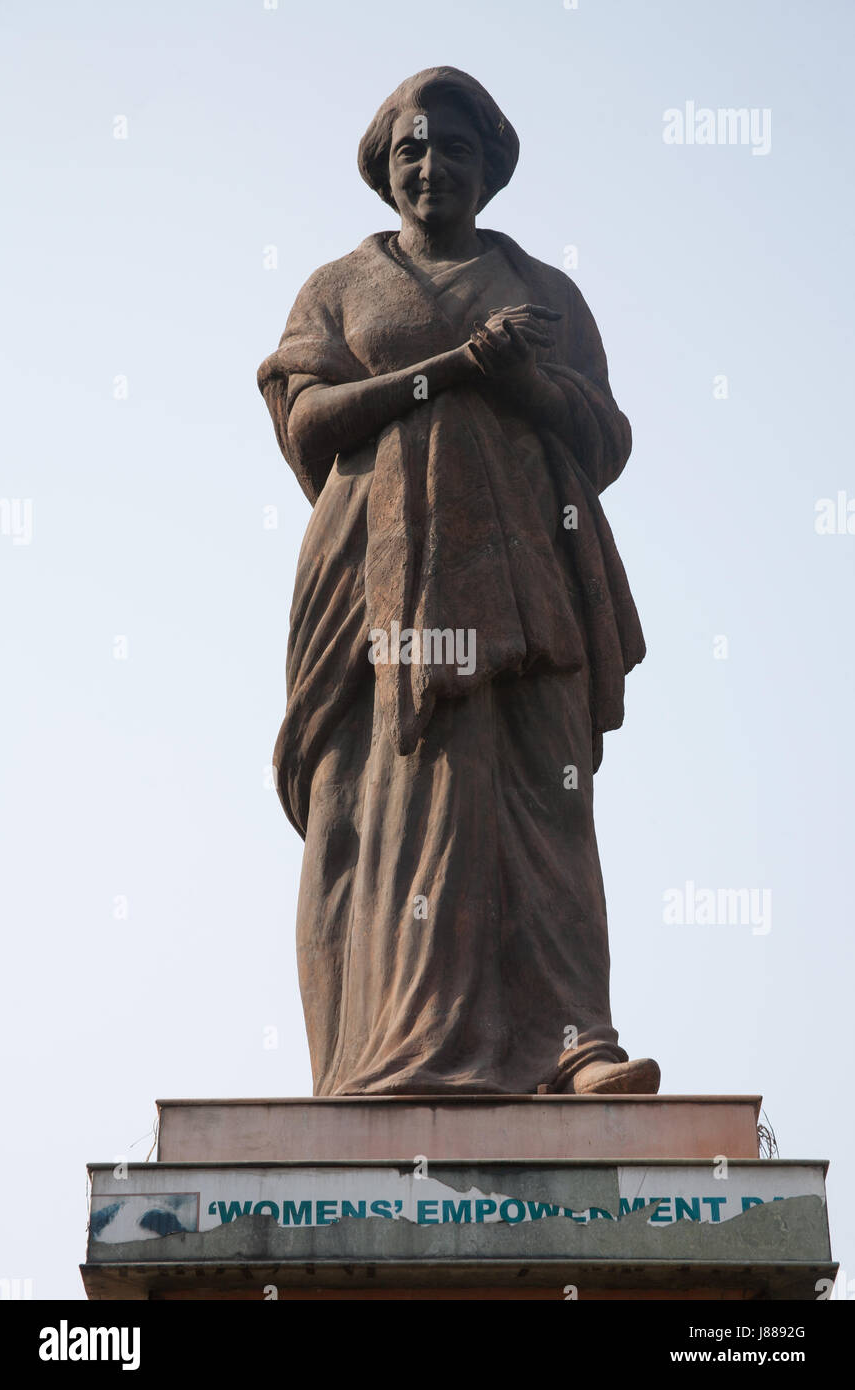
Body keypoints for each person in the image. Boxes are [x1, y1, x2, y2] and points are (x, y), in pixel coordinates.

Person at [257, 67, 660, 1097]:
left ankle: (576, 1044)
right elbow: (307, 424)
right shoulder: (340, 286)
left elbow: (604, 438)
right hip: (372, 575)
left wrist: (515, 375)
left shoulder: (543, 290)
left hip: (527, 566)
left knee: (541, 794)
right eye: (412, 150)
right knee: (377, 801)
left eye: (455, 150)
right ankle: (381, 1051)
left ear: (490, 167)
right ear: (384, 167)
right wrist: (450, 371)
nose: (433, 167)